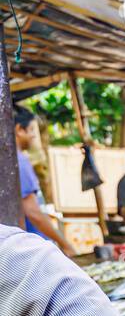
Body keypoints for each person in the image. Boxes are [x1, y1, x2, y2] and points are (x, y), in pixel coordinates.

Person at [14, 108, 75, 257]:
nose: (34, 135)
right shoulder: (19, 162)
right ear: (19, 130)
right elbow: (33, 212)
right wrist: (65, 245)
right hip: (33, 249)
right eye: (31, 130)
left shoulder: (12, 161)